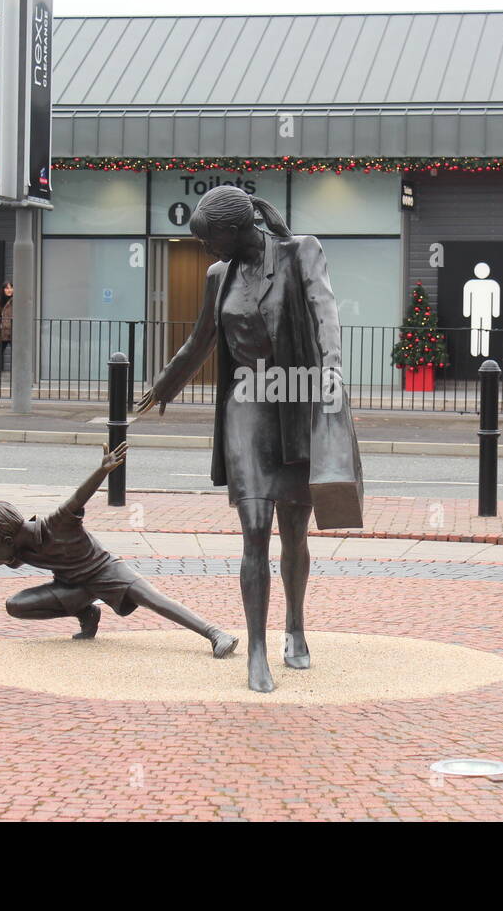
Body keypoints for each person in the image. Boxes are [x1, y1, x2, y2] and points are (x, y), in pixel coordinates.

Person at [136, 187, 363, 693]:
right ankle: (256, 651)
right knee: (255, 527)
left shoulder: (299, 251)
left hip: (296, 398)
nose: (204, 249)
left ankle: (296, 627)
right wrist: (163, 385)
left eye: (208, 238)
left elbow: (326, 311)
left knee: (294, 533)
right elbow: (200, 341)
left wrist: (331, 369)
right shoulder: (220, 277)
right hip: (247, 403)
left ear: (235, 229)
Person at [0, 443, 238, 658]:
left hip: (108, 572)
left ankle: (215, 634)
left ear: (7, 539)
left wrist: (102, 471)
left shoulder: (56, 524)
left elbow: (78, 497)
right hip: (73, 587)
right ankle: (87, 613)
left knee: (156, 601)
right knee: (16, 605)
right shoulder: (17, 547)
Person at [0, 280, 14, 379]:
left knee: (17, 353)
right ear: (3, 290)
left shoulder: (15, 300)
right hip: (2, 331)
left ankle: (20, 373)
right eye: (7, 288)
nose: (9, 290)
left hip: (13, 331)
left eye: (11, 287)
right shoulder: (0, 300)